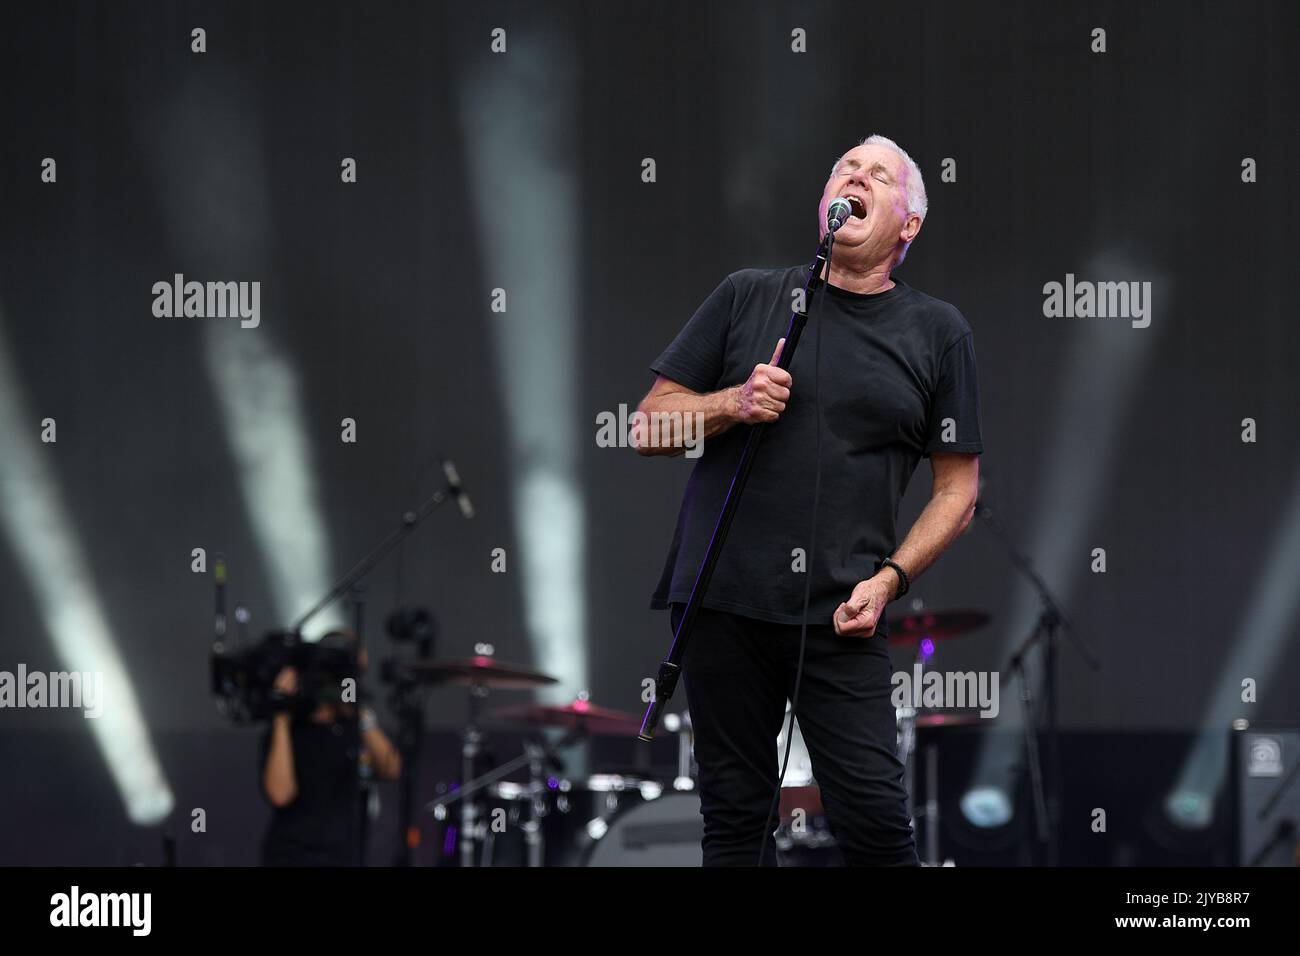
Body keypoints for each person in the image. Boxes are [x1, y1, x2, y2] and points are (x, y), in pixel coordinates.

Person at [635, 135, 982, 866]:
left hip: (841, 614)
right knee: (734, 825)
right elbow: (646, 427)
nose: (854, 176)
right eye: (843, 169)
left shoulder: (937, 332)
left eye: (876, 175)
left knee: (879, 829)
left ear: (909, 223)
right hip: (722, 601)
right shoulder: (748, 294)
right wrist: (733, 401)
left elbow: (959, 488)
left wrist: (890, 580)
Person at [259, 631, 401, 866]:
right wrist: (281, 715)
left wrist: (357, 712)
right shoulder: (291, 728)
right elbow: (280, 794)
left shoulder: (354, 728)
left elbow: (393, 769)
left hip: (344, 856)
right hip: (292, 856)